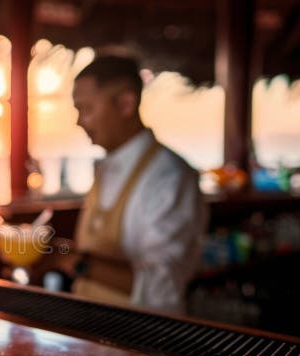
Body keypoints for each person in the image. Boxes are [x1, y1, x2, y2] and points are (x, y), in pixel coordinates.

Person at [51, 55, 206, 313]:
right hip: (91, 328)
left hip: (143, 336)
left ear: (126, 103)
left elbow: (164, 285)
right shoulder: (106, 166)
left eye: (86, 110)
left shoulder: (170, 176)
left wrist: (73, 260)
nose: (79, 122)